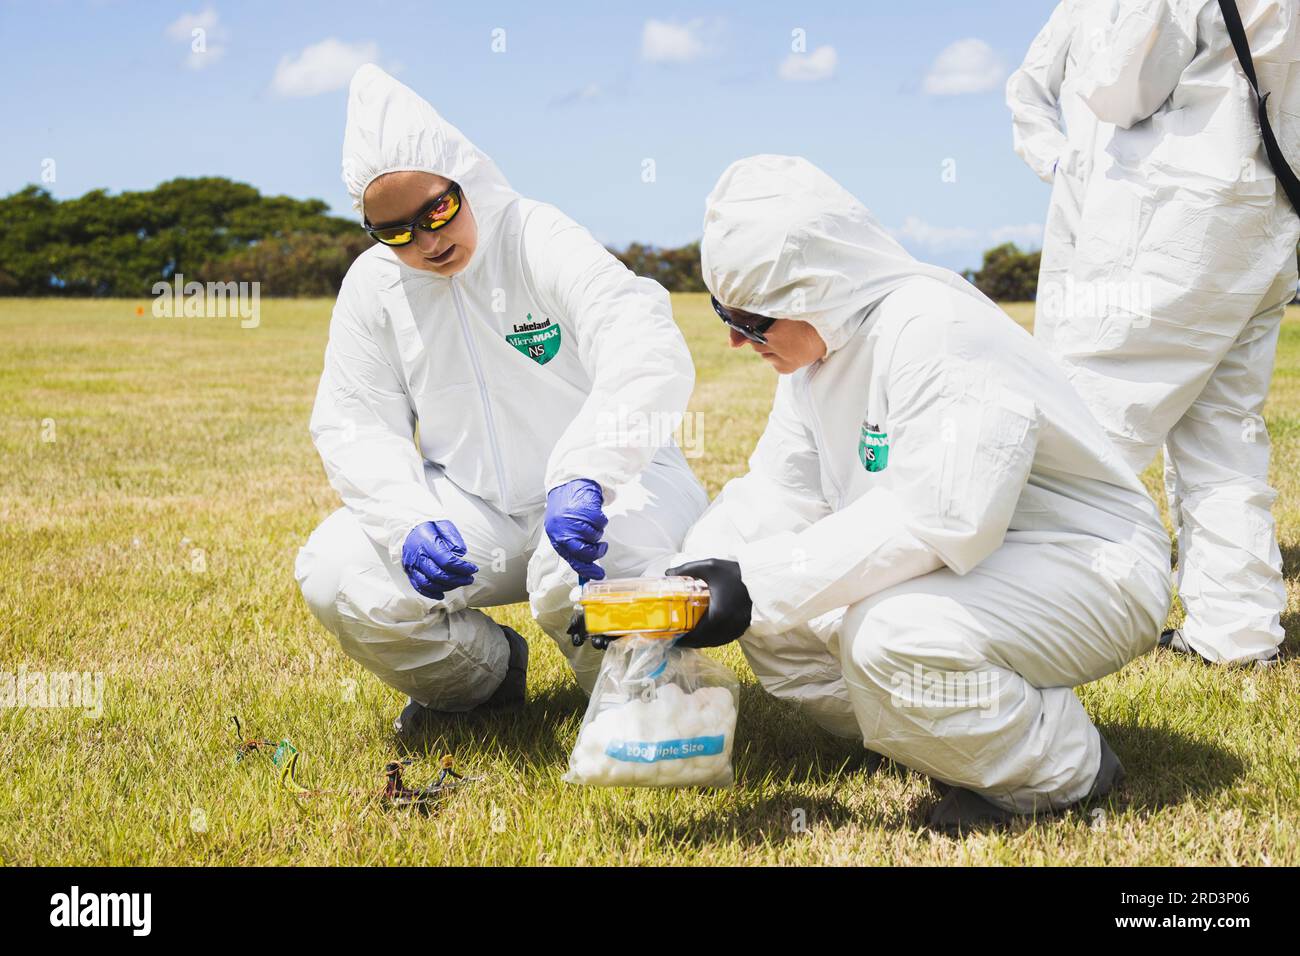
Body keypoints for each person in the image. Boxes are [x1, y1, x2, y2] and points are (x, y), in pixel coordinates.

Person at [660, 155, 1171, 831]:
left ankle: (1061, 770)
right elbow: (775, 494)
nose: (734, 338)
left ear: (814, 292)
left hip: (1089, 566)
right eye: (728, 313)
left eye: (753, 320)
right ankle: (938, 739)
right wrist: (681, 589)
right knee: (774, 620)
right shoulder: (819, 360)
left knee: (888, 634)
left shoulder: (937, 330)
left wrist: (754, 585)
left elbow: (944, 519)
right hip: (986, 566)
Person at [295, 65, 708, 746]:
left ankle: (648, 707)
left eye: (437, 211)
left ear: (464, 178)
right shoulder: (374, 287)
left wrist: (587, 469)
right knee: (338, 571)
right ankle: (480, 684)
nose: (427, 243)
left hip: (612, 490)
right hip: (478, 509)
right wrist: (408, 523)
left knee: (571, 572)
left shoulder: (535, 236)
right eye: (395, 231)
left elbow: (643, 344)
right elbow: (354, 419)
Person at [1051, 0, 1299, 665]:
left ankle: (1036, 617)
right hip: (1267, 215)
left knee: (1081, 425)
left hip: (1177, 223)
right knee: (1223, 430)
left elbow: (1122, 84)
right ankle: (1239, 634)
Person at [1005, 0, 1119, 345]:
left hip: (1173, 204)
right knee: (1070, 338)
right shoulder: (1081, 8)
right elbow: (1027, 93)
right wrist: (1062, 164)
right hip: (1084, 206)